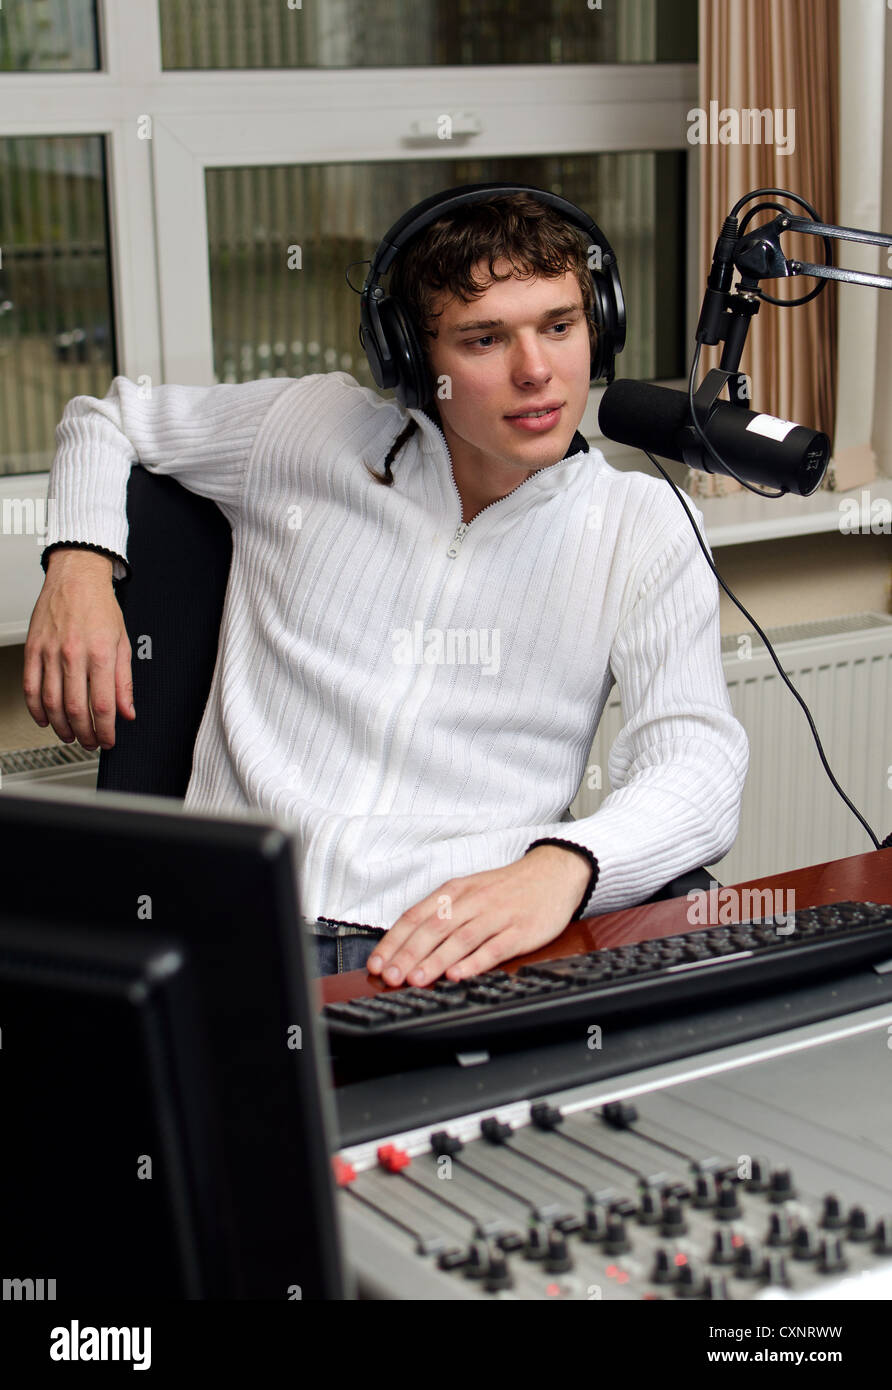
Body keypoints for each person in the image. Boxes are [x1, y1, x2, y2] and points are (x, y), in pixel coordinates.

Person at [23, 188, 749, 982]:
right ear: (410, 357)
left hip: (454, 947)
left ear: (597, 325)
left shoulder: (645, 524)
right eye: (484, 339)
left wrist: (565, 865)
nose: (536, 371)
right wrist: (80, 565)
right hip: (230, 924)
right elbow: (106, 416)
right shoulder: (304, 429)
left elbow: (698, 765)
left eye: (560, 326)